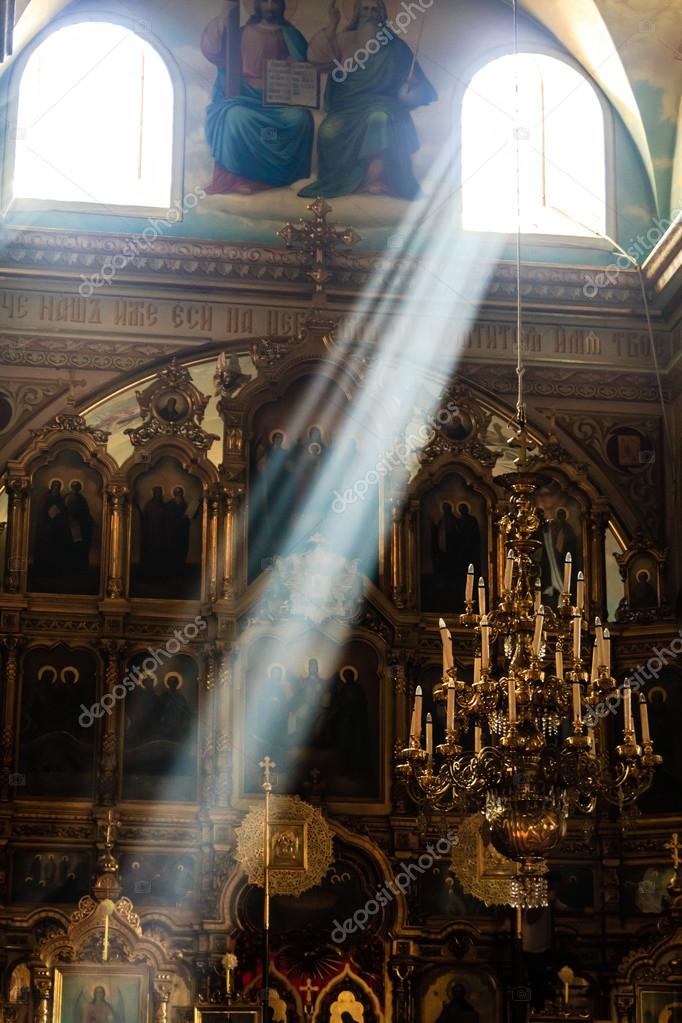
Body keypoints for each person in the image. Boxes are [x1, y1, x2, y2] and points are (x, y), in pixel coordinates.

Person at [301, 0, 437, 198]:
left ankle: (375, 180)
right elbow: (317, 59)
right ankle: (342, 180)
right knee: (327, 132)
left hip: (384, 105)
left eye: (375, 9)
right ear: (357, 13)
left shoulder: (397, 48)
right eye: (365, 9)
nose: (370, 13)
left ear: (382, 14)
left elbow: (422, 87)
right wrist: (332, 25)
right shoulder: (344, 40)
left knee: (378, 119)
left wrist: (412, 88)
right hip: (347, 107)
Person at [202, 0, 314, 195]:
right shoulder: (242, 33)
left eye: (274, 1)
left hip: (279, 100)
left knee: (301, 118)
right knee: (235, 116)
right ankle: (239, 178)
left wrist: (294, 65)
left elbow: (306, 65)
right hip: (246, 97)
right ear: (256, 5)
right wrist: (222, 17)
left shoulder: (290, 35)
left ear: (282, 6)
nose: (269, 6)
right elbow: (213, 51)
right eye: (264, 1)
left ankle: (285, 178)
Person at [64, 481, 93, 573]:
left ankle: (77, 565)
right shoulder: (67, 497)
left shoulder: (81, 498)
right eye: (74, 487)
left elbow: (85, 511)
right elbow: (63, 509)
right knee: (68, 544)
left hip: (78, 525)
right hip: (68, 524)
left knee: (78, 545)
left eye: (77, 487)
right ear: (72, 487)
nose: (75, 488)